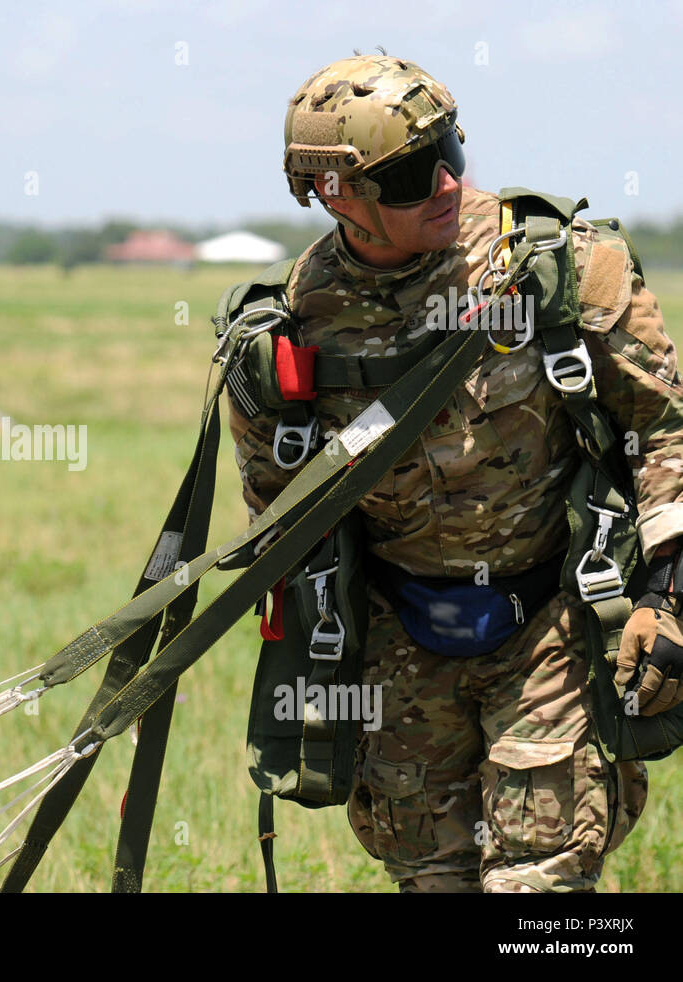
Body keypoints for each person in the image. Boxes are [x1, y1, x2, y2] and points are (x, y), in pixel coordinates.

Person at [228, 54, 683, 892]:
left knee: (537, 887)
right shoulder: (294, 318)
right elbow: (279, 510)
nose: (443, 182)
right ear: (336, 195)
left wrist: (667, 594)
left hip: (552, 621)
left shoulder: (561, 268)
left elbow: (665, 431)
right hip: (399, 642)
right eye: (406, 174)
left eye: (452, 152)